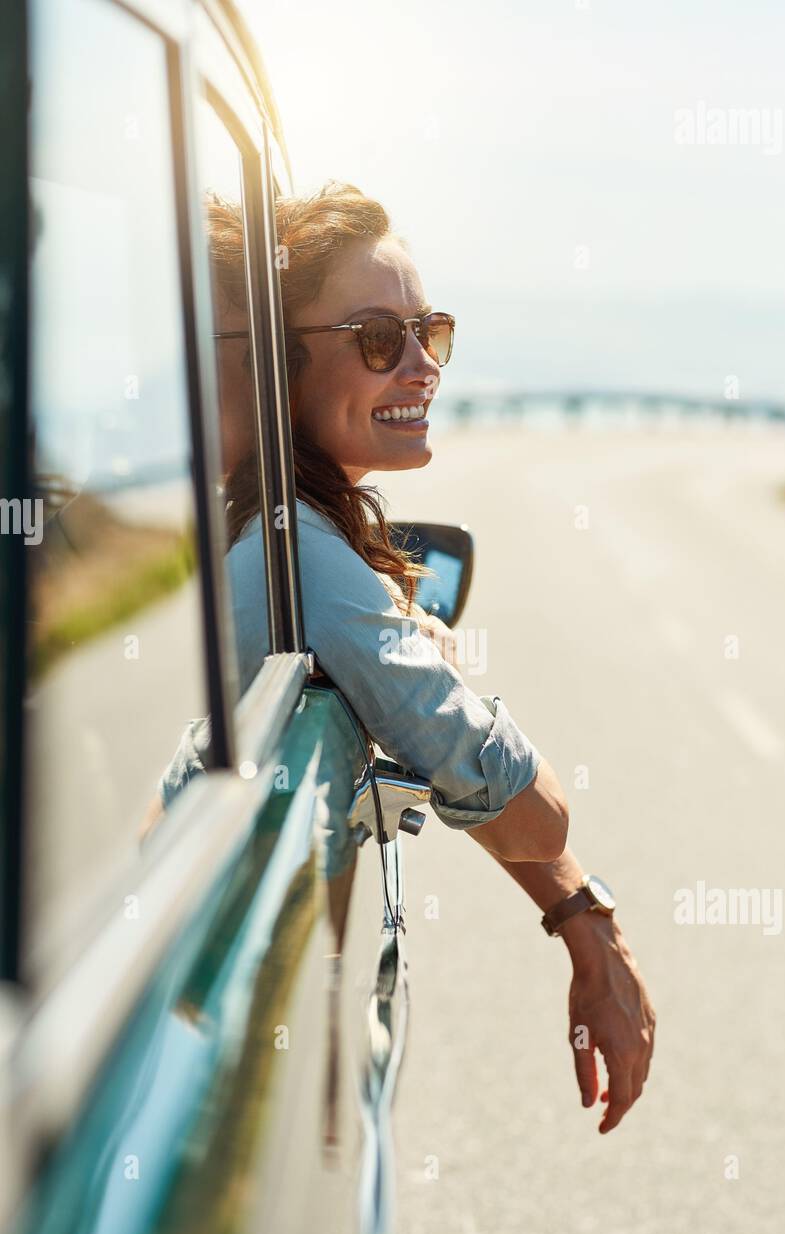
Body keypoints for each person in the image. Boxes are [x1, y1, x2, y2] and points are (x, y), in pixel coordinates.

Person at [171, 182, 656, 1134]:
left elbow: (450, 755)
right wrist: (416, 648)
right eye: (376, 339)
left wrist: (585, 920)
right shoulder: (298, 555)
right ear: (278, 364)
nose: (421, 367)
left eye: (429, 333)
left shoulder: (283, 533)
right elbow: (538, 815)